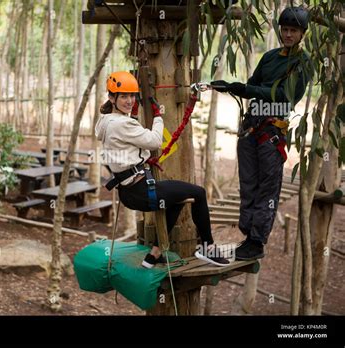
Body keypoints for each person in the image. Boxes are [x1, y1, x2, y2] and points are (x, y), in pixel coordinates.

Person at [95, 71, 229, 268]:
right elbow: (155, 141)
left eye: (132, 95)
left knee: (177, 200)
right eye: (123, 96)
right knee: (198, 193)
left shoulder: (105, 121)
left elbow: (127, 144)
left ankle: (154, 255)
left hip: (129, 191)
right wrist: (158, 116)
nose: (129, 100)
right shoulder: (122, 123)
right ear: (111, 97)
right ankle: (208, 248)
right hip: (141, 191)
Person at [211, 6, 312, 260]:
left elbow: (284, 96)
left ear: (302, 33)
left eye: (293, 31)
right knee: (248, 184)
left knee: (267, 187)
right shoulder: (269, 57)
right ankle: (247, 235)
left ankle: (257, 241)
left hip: (272, 131)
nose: (288, 34)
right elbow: (254, 84)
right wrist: (234, 87)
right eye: (285, 29)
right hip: (252, 126)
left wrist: (247, 89)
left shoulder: (304, 63)